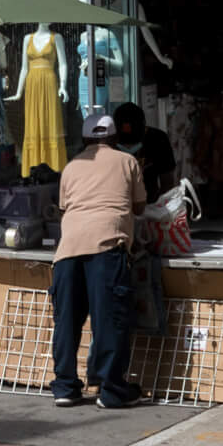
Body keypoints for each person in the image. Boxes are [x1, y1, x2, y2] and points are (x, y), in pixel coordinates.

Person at [49, 108, 146, 410]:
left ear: (84, 139)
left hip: (67, 251)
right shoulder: (128, 161)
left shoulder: (72, 166)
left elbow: (66, 208)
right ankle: (111, 389)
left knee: (67, 320)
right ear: (116, 138)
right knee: (109, 319)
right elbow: (140, 206)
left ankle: (65, 387)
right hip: (106, 245)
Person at [112, 102, 178, 200]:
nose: (129, 146)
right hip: (115, 203)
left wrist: (158, 207)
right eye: (124, 141)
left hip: (150, 202)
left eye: (133, 140)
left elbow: (167, 181)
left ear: (144, 128)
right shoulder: (108, 141)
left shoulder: (158, 139)